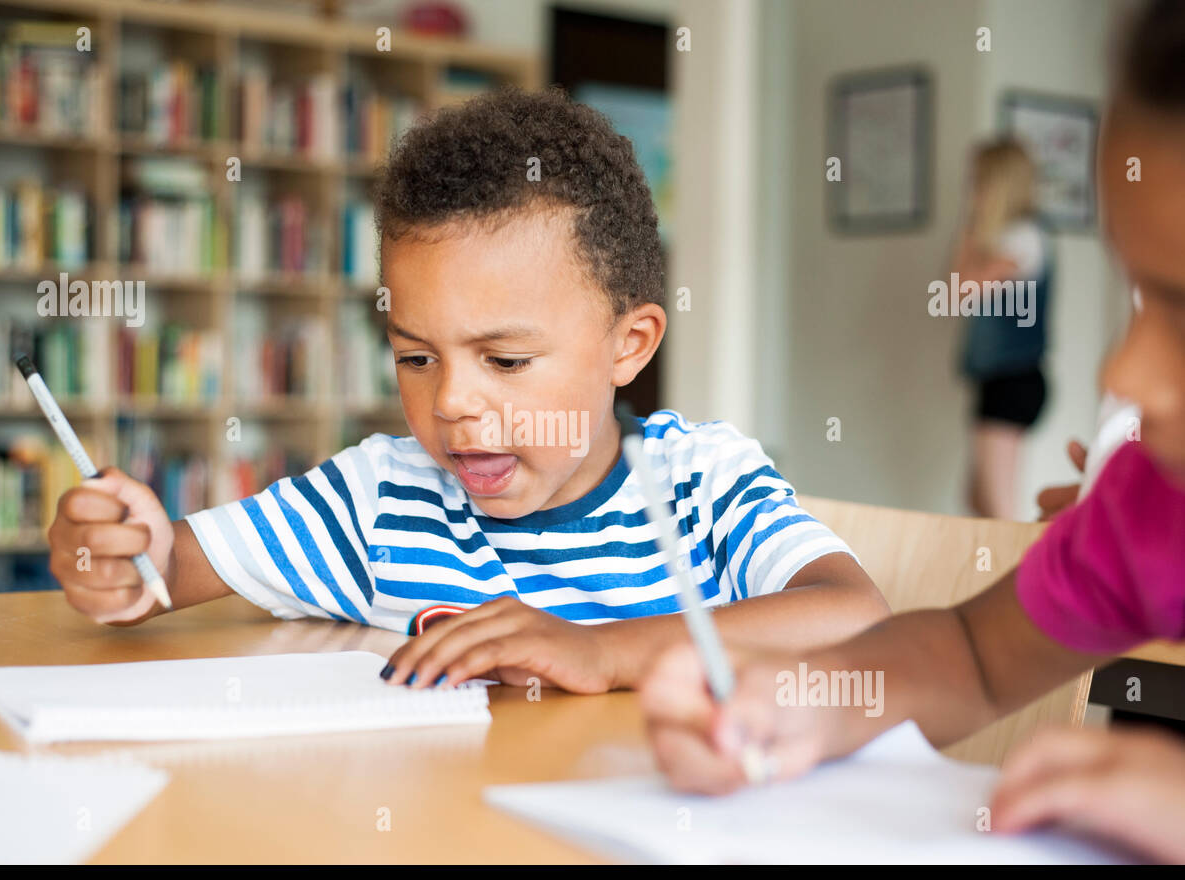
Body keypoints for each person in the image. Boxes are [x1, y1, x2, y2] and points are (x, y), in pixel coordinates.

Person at [46, 87, 889, 694]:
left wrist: (601, 651)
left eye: (507, 361)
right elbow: (168, 570)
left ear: (628, 346)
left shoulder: (703, 479)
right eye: (417, 358)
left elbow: (852, 616)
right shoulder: (384, 498)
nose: (451, 403)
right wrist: (118, 554)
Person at [640, 0, 1185, 863]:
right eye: (1139, 297)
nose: (1121, 374)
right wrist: (808, 695)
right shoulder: (1157, 504)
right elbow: (972, 652)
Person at [954, 139, 1054, 519]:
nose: (971, 188)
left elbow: (960, 291)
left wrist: (972, 226)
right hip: (1002, 381)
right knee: (979, 500)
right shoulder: (1012, 238)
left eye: (977, 180)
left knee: (999, 512)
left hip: (1013, 382)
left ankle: (1017, 579)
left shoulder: (1022, 238)